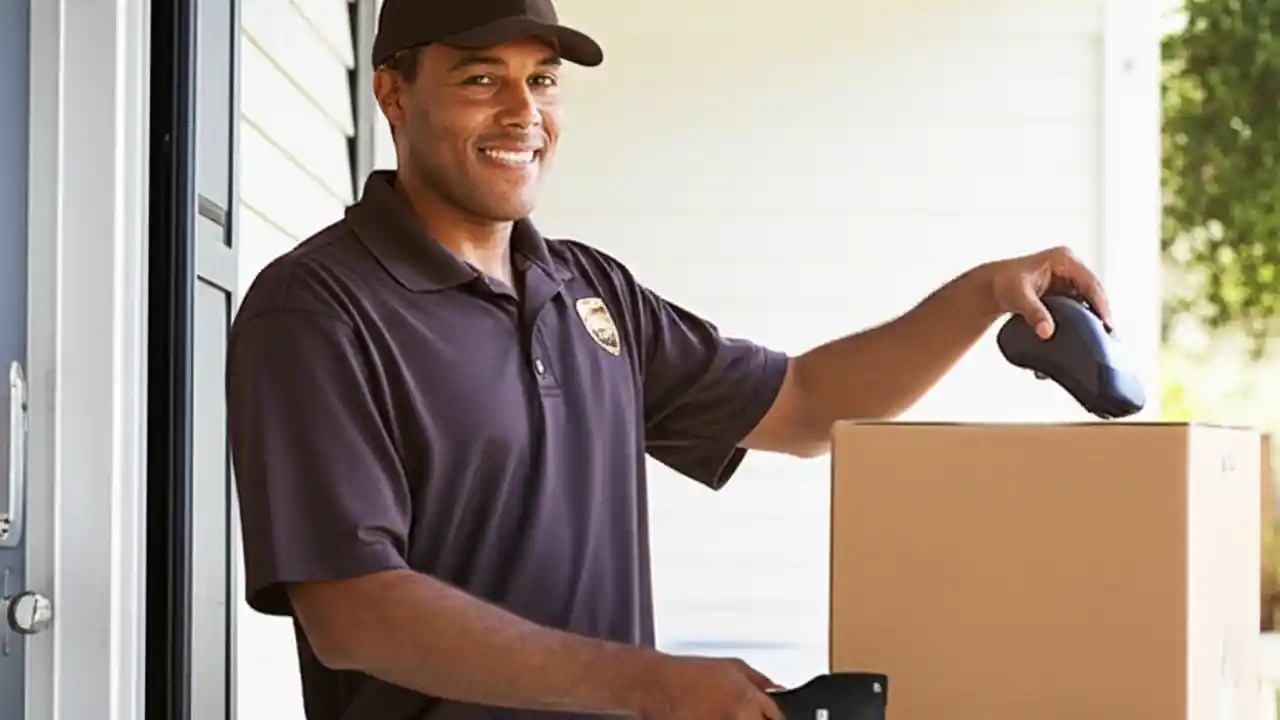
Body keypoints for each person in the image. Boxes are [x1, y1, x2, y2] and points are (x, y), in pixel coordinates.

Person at [225, 0, 1113, 719]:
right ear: (391, 94)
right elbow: (352, 611)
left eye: (542, 80)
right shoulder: (319, 310)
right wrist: (653, 686)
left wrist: (983, 295)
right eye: (478, 79)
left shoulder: (590, 293)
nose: (522, 113)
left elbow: (805, 406)